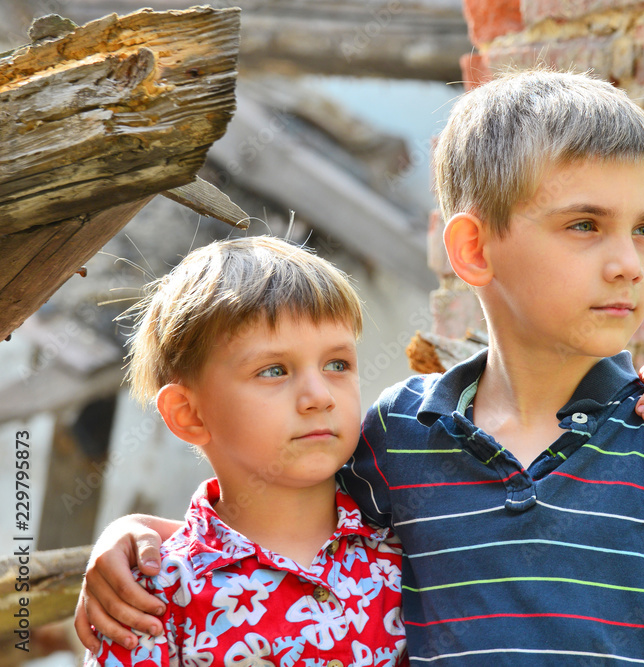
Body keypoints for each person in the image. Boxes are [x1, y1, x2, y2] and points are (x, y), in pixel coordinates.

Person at [75, 68, 644, 664]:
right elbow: (274, 524)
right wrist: (131, 535)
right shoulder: (398, 439)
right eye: (584, 225)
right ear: (473, 249)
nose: (629, 262)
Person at [83, 236, 409, 666]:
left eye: (337, 364)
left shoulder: (408, 546)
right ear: (189, 414)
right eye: (274, 370)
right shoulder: (153, 596)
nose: (319, 396)